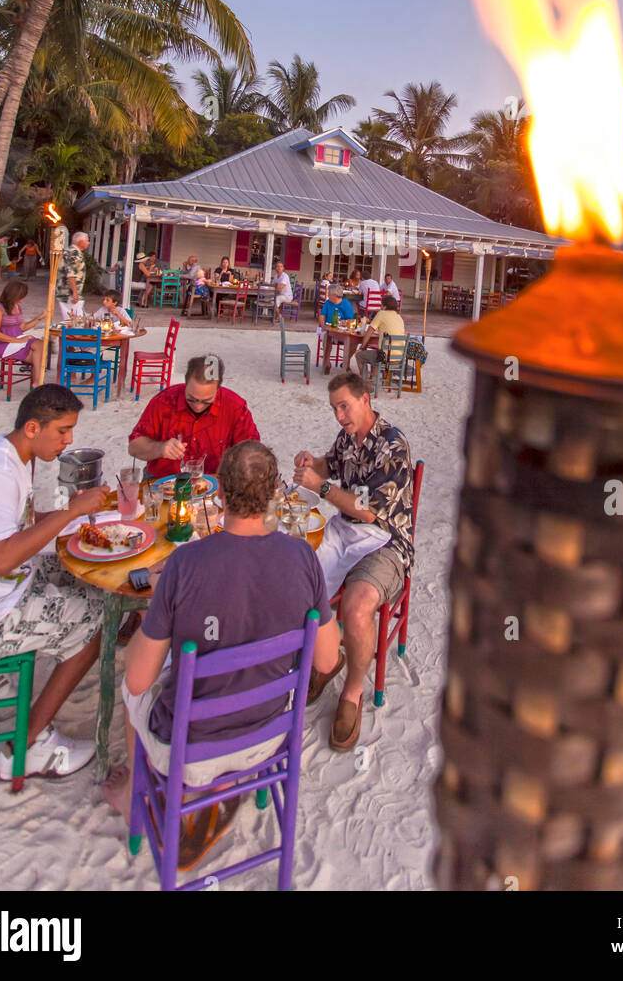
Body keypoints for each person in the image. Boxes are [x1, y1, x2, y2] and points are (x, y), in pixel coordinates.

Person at [101, 441, 341, 857]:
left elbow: (140, 680)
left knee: (131, 687)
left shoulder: (184, 564)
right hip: (269, 736)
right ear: (272, 496)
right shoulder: (303, 557)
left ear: (221, 496)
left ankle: (131, 794)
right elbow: (326, 660)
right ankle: (232, 780)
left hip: (189, 749)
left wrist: (161, 605)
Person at [0, 385, 109, 779]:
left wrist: (72, 518)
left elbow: (21, 524)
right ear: (32, 427)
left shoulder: (11, 457)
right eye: (62, 431)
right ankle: (30, 744)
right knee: (94, 622)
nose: (69, 440)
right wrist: (69, 512)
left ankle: (4, 667)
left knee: (82, 571)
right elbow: (1, 559)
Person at [293, 372, 414, 753]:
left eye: (344, 406)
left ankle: (353, 691)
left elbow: (367, 512)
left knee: (357, 606)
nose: (339, 415)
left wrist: (322, 487)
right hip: (345, 529)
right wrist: (317, 463)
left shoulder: (393, 445)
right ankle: (327, 659)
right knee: (300, 579)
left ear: (366, 399)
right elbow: (335, 463)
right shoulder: (348, 436)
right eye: (334, 408)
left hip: (386, 539)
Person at [128, 354, 260, 480]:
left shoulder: (235, 407)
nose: (198, 406)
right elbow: (134, 447)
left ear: (218, 389)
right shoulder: (164, 401)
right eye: (191, 399)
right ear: (185, 383)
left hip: (215, 483)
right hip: (163, 481)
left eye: (206, 401)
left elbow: (252, 453)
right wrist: (160, 448)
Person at [0, 278, 48, 386]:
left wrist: (40, 318)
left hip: (16, 340)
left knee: (39, 349)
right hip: (1, 345)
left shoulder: (17, 306)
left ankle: (38, 382)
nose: (22, 300)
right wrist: (18, 341)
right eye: (20, 297)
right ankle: (38, 382)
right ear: (13, 295)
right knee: (39, 353)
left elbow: (22, 328)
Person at [351, 295, 406, 377]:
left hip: (384, 358)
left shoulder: (382, 314)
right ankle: (374, 378)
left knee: (359, 355)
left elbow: (369, 331)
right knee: (376, 353)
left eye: (381, 305)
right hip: (399, 358)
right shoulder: (399, 317)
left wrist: (362, 348)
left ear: (384, 306)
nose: (380, 307)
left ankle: (365, 382)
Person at [56, 231, 89, 322]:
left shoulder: (71, 251)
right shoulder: (73, 253)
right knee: (75, 321)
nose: (88, 243)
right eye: (87, 240)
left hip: (66, 292)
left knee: (74, 319)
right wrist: (74, 293)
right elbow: (71, 274)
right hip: (68, 293)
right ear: (80, 242)